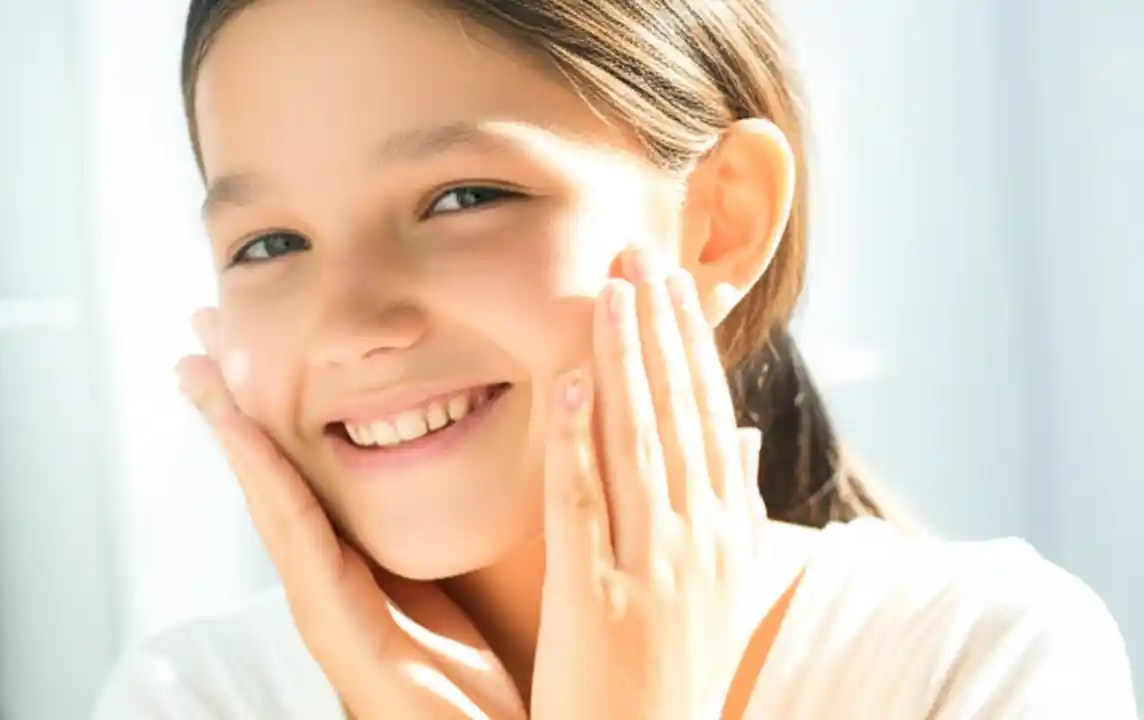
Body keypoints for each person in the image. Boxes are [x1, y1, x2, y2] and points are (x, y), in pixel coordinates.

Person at [94, 0, 1138, 717]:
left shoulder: (973, 661)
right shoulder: (195, 699)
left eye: (462, 199)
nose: (349, 322)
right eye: (269, 245)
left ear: (718, 221)